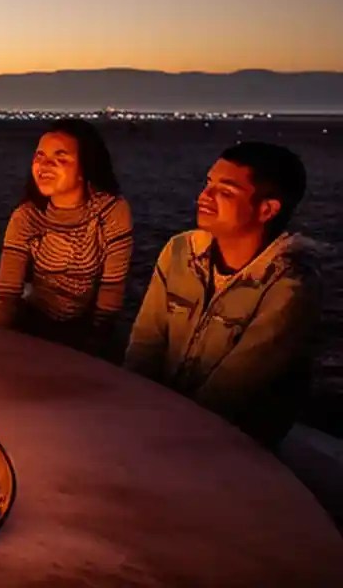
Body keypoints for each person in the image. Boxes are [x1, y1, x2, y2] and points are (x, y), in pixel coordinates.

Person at [125, 141, 322, 449]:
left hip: (234, 445)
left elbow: (232, 390)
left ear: (267, 209)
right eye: (208, 184)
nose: (204, 197)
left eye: (225, 191)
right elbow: (145, 344)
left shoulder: (290, 285)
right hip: (156, 420)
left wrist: (164, 436)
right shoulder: (181, 251)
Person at [0, 119, 133, 358]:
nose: (45, 165)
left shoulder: (111, 212)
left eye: (60, 158)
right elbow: (7, 296)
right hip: (34, 327)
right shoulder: (26, 217)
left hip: (91, 331)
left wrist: (92, 348)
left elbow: (111, 292)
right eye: (39, 156)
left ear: (84, 168)